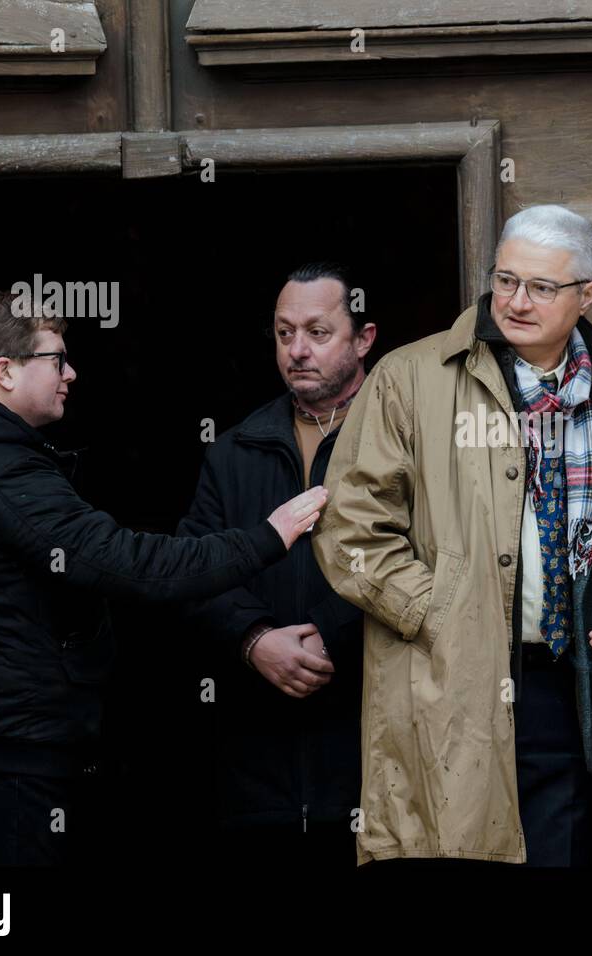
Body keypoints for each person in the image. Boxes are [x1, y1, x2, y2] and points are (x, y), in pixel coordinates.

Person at [0, 290, 325, 866]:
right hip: (8, 762)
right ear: (5, 372)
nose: (72, 373)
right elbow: (127, 565)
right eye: (57, 359)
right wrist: (267, 536)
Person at [313, 204, 592, 866]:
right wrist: (439, 609)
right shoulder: (410, 380)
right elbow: (352, 528)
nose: (516, 302)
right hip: (449, 687)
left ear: (589, 294)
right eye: (506, 280)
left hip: (575, 693)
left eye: (542, 288)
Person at [178, 263, 375, 868]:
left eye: (318, 332)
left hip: (373, 764)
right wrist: (254, 638)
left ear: (363, 339)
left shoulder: (402, 438)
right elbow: (189, 570)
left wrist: (332, 632)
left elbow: (435, 560)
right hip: (256, 774)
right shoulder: (237, 448)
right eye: (284, 332)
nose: (297, 350)